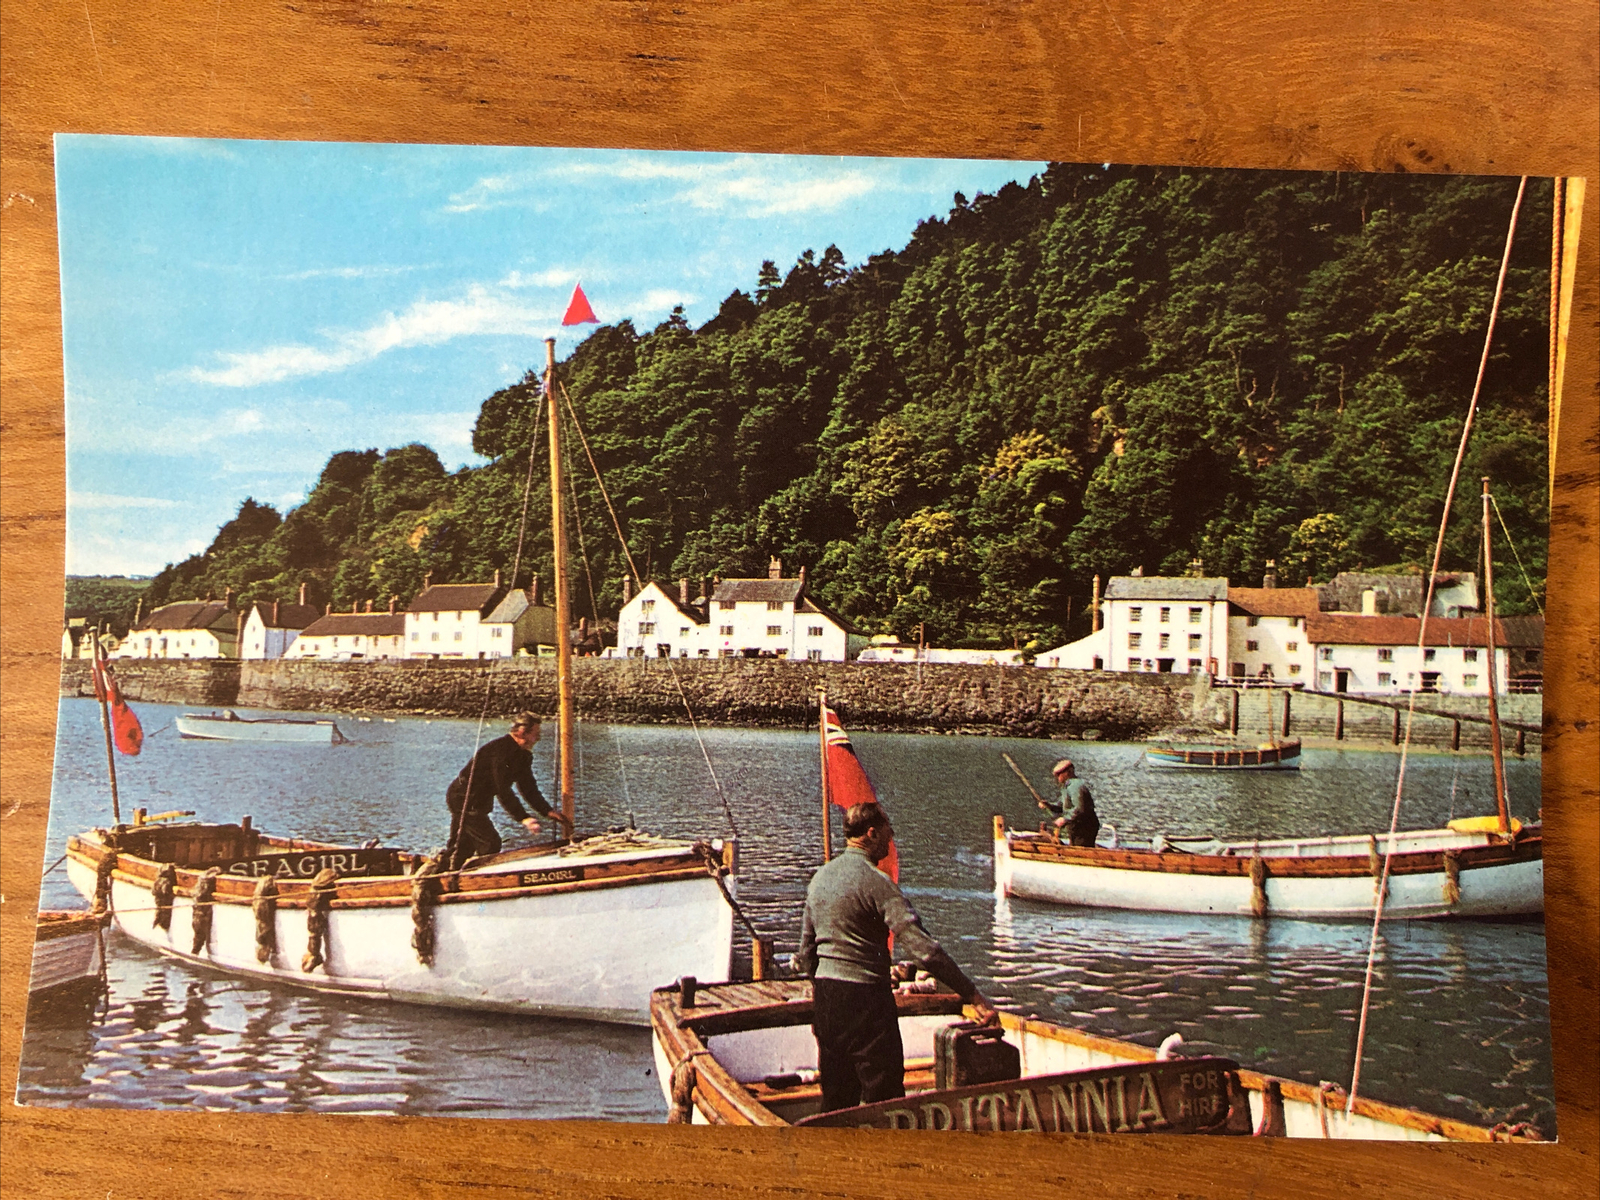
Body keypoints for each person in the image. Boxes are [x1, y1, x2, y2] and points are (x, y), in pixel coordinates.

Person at [795, 801, 999, 1113]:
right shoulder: (878, 883)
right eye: (888, 835)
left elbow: (807, 952)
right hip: (866, 1000)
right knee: (886, 1098)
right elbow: (925, 951)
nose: (890, 843)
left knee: (836, 1098)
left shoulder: (819, 879)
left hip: (827, 1000)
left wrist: (825, 987)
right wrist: (972, 994)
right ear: (871, 833)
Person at [444, 712, 561, 868]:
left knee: (463, 847)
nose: (538, 739)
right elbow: (502, 790)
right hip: (464, 799)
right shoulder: (500, 751)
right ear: (522, 733)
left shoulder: (523, 755)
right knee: (490, 844)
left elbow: (528, 788)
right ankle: (480, 879)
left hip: (477, 802)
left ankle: (444, 874)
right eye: (536, 734)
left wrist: (547, 811)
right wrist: (524, 818)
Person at [1038, 758, 1100, 847]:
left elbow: (1080, 808)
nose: (1057, 777)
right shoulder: (1067, 786)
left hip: (1084, 828)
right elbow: (1062, 806)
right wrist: (1049, 806)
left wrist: (1064, 819)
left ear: (1068, 772)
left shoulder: (1075, 786)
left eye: (1059, 774)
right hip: (1076, 827)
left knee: (1080, 851)